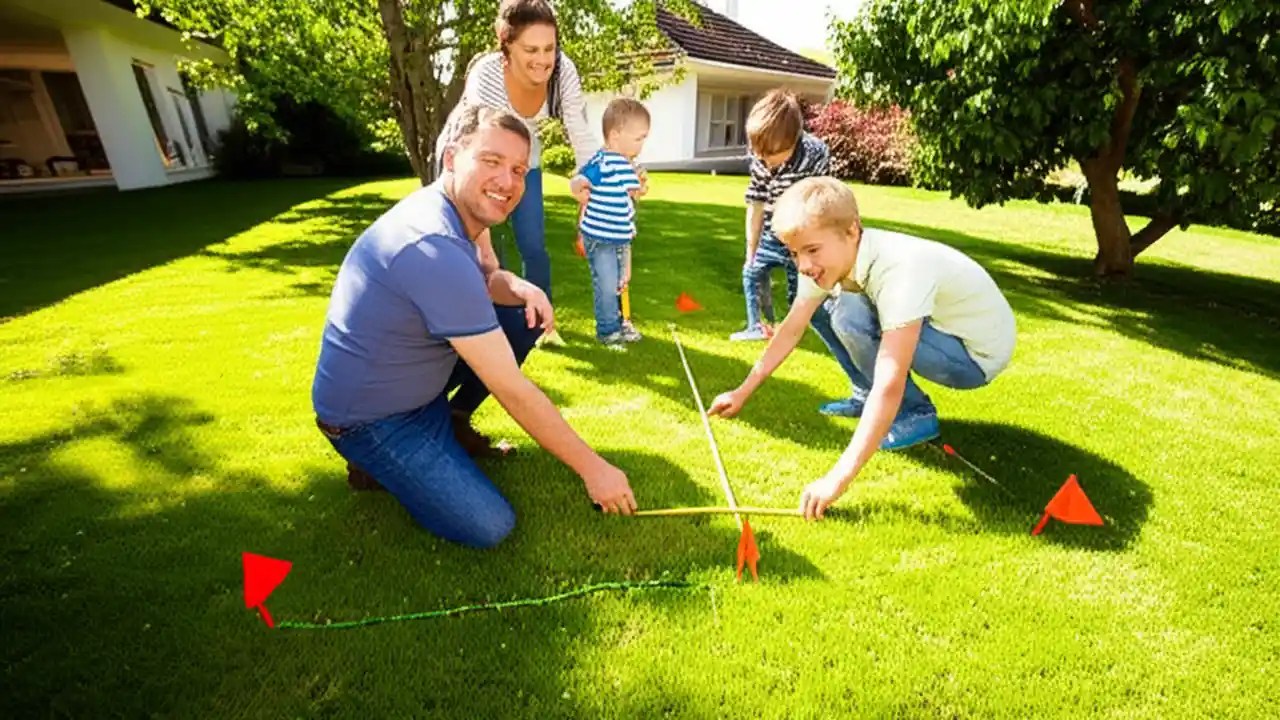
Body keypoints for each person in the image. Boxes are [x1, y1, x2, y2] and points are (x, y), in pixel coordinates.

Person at [312, 104, 637, 549]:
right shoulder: (433, 243)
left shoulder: (449, 212)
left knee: (521, 319)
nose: (508, 182)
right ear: (451, 158)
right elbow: (510, 387)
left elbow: (483, 281)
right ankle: (380, 461)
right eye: (491, 161)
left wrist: (522, 288)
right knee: (488, 525)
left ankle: (450, 423)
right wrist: (594, 469)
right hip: (371, 421)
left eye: (519, 170)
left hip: (410, 388)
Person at [708, 177, 1017, 521]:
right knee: (832, 311)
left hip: (974, 357)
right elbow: (792, 328)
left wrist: (836, 480)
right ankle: (876, 402)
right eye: (795, 254)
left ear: (852, 231)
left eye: (812, 250)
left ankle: (915, 415)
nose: (803, 265)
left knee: (851, 316)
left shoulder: (899, 271)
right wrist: (742, 391)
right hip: (944, 335)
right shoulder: (837, 261)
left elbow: (889, 379)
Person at [436, 0, 600, 347]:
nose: (542, 59)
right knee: (471, 248)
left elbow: (580, 133)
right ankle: (471, 329)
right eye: (530, 49)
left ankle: (543, 325)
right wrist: (483, 244)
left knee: (533, 243)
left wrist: (590, 199)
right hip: (468, 159)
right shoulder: (488, 76)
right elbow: (483, 155)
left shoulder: (562, 73)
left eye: (549, 48)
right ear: (506, 44)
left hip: (525, 155)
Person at [729, 89, 867, 418]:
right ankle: (761, 324)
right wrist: (751, 251)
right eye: (760, 154)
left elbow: (820, 210)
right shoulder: (760, 156)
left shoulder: (814, 154)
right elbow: (756, 204)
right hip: (777, 234)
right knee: (764, 281)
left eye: (773, 154)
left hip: (810, 236)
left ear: (795, 138)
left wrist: (809, 256)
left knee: (824, 314)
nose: (766, 161)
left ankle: (871, 391)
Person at [571, 97, 651, 348]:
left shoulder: (627, 164)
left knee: (620, 281)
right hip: (601, 237)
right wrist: (578, 189)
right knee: (606, 284)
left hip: (621, 236)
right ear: (616, 136)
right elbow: (580, 178)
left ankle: (620, 323)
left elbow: (632, 193)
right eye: (638, 138)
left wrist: (639, 186)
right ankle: (607, 331)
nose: (642, 144)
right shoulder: (603, 161)